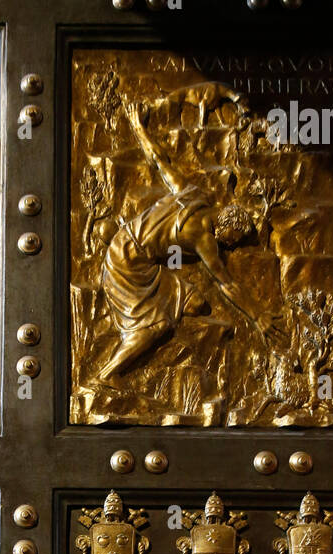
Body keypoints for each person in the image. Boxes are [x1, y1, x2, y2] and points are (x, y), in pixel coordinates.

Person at [97, 98, 284, 383]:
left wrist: (138, 126)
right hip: (127, 264)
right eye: (234, 241)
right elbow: (226, 283)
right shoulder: (204, 240)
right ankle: (108, 375)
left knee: (196, 303)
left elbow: (160, 160)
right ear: (227, 227)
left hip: (134, 253)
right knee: (155, 325)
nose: (231, 246)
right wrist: (258, 316)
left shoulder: (193, 193)